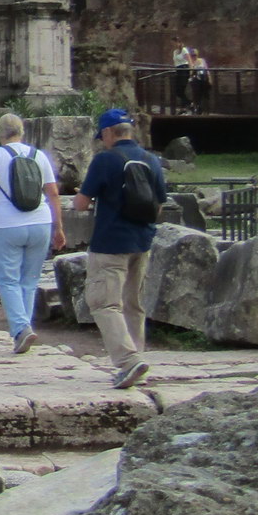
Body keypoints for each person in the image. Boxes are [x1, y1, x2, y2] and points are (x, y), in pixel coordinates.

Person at [71, 107, 168, 389]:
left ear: (109, 133)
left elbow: (81, 204)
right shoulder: (151, 160)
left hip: (110, 242)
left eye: (102, 136)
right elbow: (159, 204)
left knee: (103, 302)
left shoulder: (105, 160)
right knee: (133, 303)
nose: (102, 140)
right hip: (142, 241)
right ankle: (136, 354)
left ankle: (128, 360)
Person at [0, 114, 65, 354]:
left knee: (7, 279)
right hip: (41, 222)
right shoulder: (38, 155)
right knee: (30, 280)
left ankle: (22, 329)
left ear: (0, 133)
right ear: (22, 132)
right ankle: (24, 328)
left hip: (7, 224)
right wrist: (59, 228)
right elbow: (53, 193)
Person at [189, 47, 212, 115]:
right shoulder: (191, 62)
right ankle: (197, 109)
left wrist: (210, 78)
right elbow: (190, 73)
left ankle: (206, 111)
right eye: (192, 55)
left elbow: (207, 70)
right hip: (196, 81)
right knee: (196, 95)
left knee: (205, 95)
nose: (194, 56)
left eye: (195, 55)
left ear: (197, 54)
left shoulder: (202, 60)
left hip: (204, 79)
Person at [171, 39, 191, 111]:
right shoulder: (175, 52)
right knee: (178, 91)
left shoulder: (184, 50)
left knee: (181, 89)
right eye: (173, 43)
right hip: (178, 70)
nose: (174, 44)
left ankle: (184, 108)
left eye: (175, 43)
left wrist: (191, 71)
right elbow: (175, 62)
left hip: (184, 70)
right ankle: (189, 104)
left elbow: (189, 60)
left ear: (179, 42)